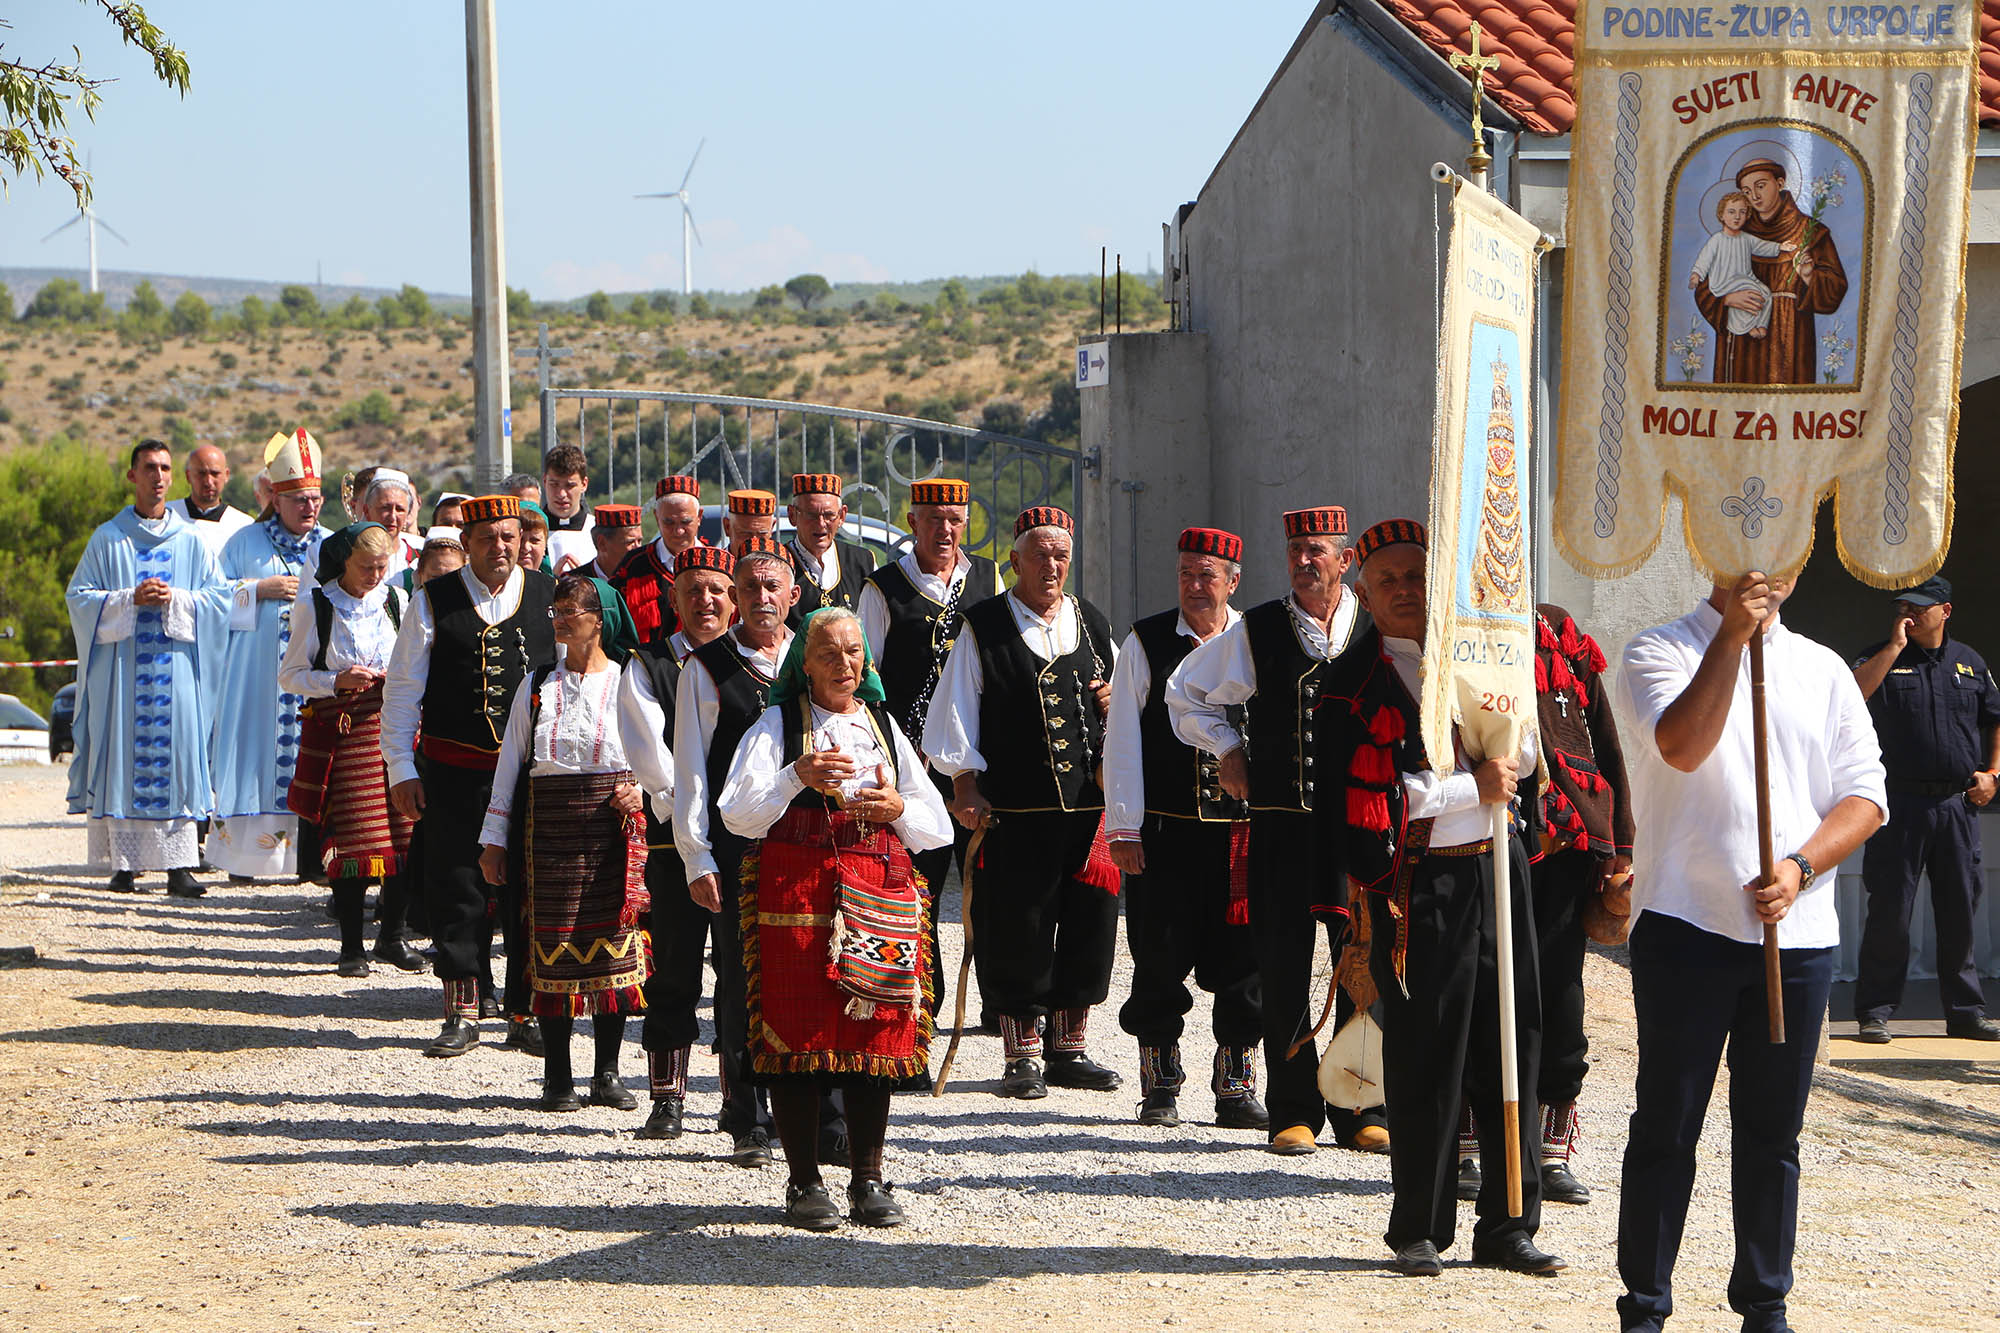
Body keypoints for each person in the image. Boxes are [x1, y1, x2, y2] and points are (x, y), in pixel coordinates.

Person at [1616, 570, 1886, 1332]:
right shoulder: (1659, 648)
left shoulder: (1824, 668)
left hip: (1794, 939)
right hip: (1684, 925)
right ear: (1710, 556)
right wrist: (1733, 637)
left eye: (1787, 552)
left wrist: (1801, 866)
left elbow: (1866, 794)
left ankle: (1765, 1304)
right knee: (1667, 1125)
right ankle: (1645, 1306)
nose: (1769, 568)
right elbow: (1680, 745)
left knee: (1773, 1133)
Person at [1315, 519, 1554, 1278]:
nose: (1403, 591)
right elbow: (1365, 803)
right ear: (1362, 589)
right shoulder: (1347, 684)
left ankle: (1510, 1222)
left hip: (1497, 868)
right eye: (1387, 580)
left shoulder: (1482, 660)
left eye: (1417, 577)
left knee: (1513, 1040)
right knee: (1426, 1055)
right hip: (1418, 888)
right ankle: (1419, 1223)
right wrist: (1468, 787)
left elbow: (1525, 754)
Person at [719, 606, 953, 1230]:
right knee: (798, 1030)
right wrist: (795, 775)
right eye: (827, 653)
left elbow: (935, 827)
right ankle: (803, 1182)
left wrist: (899, 803)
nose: (843, 664)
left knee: (875, 1025)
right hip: (794, 889)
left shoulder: (883, 729)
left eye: (852, 652)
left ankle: (868, 1177)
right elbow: (737, 814)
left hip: (878, 885)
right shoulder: (777, 724)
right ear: (805, 663)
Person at [1167, 505, 1381, 1155]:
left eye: (1316, 550)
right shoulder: (1256, 628)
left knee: (1363, 963)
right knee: (1284, 962)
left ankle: (1362, 1104)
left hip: (1360, 827)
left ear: (1345, 560)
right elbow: (1186, 691)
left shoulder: (1376, 629)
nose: (1303, 560)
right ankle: (1293, 1107)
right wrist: (1227, 747)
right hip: (1282, 826)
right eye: (1294, 550)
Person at [926, 505, 1123, 1098]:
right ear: (1014, 562)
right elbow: (955, 710)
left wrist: (1114, 707)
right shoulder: (982, 625)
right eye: (1039, 554)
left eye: (1060, 554)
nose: (1051, 565)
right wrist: (964, 781)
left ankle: (1069, 1048)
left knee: (1090, 926)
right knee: (1018, 927)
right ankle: (1022, 1054)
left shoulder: (1091, 620)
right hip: (1013, 812)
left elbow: (1120, 711)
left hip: (1089, 813)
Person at [384, 494, 557, 1058]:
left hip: (531, 776)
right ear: (467, 544)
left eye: (509, 537)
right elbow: (404, 690)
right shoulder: (432, 600)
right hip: (455, 770)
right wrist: (401, 768)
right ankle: (461, 1009)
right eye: (487, 539)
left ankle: (524, 1012)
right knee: (457, 886)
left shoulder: (549, 596)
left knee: (528, 889)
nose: (500, 548)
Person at [1105, 527, 1266, 1129]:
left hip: (1242, 835)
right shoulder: (1145, 640)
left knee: (1245, 962)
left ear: (1233, 581)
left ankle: (1236, 1086)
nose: (1195, 586)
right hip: (1168, 834)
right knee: (1157, 956)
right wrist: (1124, 828)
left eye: (1208, 575)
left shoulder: (1258, 638)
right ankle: (1160, 1084)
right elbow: (1122, 738)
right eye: (1186, 574)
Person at [479, 575, 652, 1111]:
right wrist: (493, 841)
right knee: (548, 950)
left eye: (569, 610)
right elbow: (509, 769)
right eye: (554, 610)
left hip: (610, 833)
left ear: (599, 619)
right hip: (549, 832)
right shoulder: (537, 686)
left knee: (613, 950)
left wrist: (639, 792)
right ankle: (557, 1077)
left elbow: (655, 757)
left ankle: (607, 1073)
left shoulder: (628, 683)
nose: (558, 618)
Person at [673, 535, 800, 1165]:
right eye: (748, 587)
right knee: (739, 974)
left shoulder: (815, 655)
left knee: (799, 971)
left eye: (772, 586)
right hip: (736, 844)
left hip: (803, 845)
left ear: (793, 594)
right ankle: (742, 1109)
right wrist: (697, 855)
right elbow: (691, 768)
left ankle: (799, 1107)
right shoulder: (707, 667)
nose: (761, 598)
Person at [857, 477, 1005, 1011]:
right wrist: (893, 750)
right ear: (912, 520)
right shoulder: (883, 588)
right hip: (911, 764)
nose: (945, 529)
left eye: (955, 519)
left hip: (978, 759)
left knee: (990, 884)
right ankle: (922, 1006)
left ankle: (1000, 1004)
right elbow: (864, 680)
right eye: (934, 518)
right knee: (917, 886)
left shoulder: (988, 577)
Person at [66, 440, 229, 896]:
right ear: (132, 476)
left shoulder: (191, 542)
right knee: (123, 756)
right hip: (123, 678)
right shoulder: (107, 539)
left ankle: (179, 865)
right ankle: (124, 865)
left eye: (165, 468)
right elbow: (78, 599)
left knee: (178, 757)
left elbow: (217, 601)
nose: (158, 477)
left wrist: (176, 599)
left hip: (175, 674)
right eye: (149, 468)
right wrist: (127, 600)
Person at [1849, 574, 2000, 1042]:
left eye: (1918, 608)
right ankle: (1875, 1010)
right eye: (1902, 608)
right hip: (1900, 805)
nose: (1908, 615)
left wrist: (1993, 775)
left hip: (1956, 805)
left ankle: (1965, 1011)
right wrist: (1893, 648)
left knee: (1958, 909)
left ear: (1945, 611)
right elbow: (1852, 697)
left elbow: (1995, 721)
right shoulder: (1880, 656)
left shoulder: (1969, 663)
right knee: (1891, 911)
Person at [626, 544, 735, 1138]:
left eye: (716, 589)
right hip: (674, 841)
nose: (706, 600)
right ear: (674, 598)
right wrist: (687, 816)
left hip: (745, 838)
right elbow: (649, 752)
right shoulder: (649, 664)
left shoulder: (752, 662)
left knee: (742, 971)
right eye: (693, 589)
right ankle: (667, 1098)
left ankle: (738, 1099)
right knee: (672, 966)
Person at [279, 522, 417, 975]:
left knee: (405, 833)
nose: (375, 575)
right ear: (344, 562)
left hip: (393, 725)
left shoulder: (397, 601)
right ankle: (352, 947)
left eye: (382, 566)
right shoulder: (316, 606)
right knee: (355, 840)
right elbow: (290, 676)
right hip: (345, 730)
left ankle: (392, 937)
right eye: (365, 567)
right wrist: (335, 680)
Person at [208, 429, 330, 881]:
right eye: (298, 498)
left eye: (315, 498)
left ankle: (312, 860)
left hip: (313, 681)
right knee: (255, 754)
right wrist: (257, 590)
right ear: (275, 499)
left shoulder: (333, 546)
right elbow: (211, 599)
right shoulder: (244, 543)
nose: (309, 507)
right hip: (256, 681)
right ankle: (248, 860)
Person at [1693, 158, 1849, 386]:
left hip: (1790, 336)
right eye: (1747, 190)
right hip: (1740, 335)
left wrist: (1809, 277)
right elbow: (1704, 286)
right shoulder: (1734, 233)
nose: (1754, 196)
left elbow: (1836, 288)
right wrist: (1726, 298)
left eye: (1761, 185)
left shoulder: (1811, 232)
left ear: (1780, 182)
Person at [1688, 193, 1797, 340]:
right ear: (1721, 215)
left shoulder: (1746, 238)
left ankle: (1761, 325)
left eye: (1742, 212)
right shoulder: (1716, 240)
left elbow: (1762, 246)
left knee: (1765, 293)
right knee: (1743, 300)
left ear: (1747, 216)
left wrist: (1780, 247)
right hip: (1724, 281)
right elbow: (1704, 259)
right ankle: (1747, 327)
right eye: (1731, 212)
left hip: (1745, 278)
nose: (1737, 217)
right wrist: (1696, 275)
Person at [612, 474, 704, 648]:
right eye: (668, 522)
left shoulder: (717, 564)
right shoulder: (633, 565)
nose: (678, 531)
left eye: (685, 522)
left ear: (699, 517)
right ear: (656, 517)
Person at [784, 473, 874, 627]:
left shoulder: (863, 562)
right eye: (811, 515)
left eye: (829, 515)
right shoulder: (779, 563)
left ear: (842, 516)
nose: (820, 524)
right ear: (792, 515)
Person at [170, 444, 253, 558]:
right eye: (201, 473)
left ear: (226, 475)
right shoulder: (167, 517)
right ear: (188, 476)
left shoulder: (243, 526)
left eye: (215, 474)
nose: (208, 481)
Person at [355, 468, 423, 583]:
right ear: (366, 511)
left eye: (400, 509)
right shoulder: (349, 555)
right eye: (385, 508)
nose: (392, 516)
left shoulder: (420, 558)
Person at [540, 444, 595, 574]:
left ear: (584, 484)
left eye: (570, 485)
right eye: (554, 484)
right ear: (544, 481)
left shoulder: (596, 529)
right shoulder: (529, 532)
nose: (561, 494)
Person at [584, 503, 644, 581]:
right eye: (630, 542)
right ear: (602, 544)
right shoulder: (576, 582)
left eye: (639, 541)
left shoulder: (647, 579)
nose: (638, 548)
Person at [516, 503, 552, 577]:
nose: (526, 548)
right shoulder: (491, 587)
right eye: (520, 539)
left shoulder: (554, 586)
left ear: (545, 547)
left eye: (534, 540)